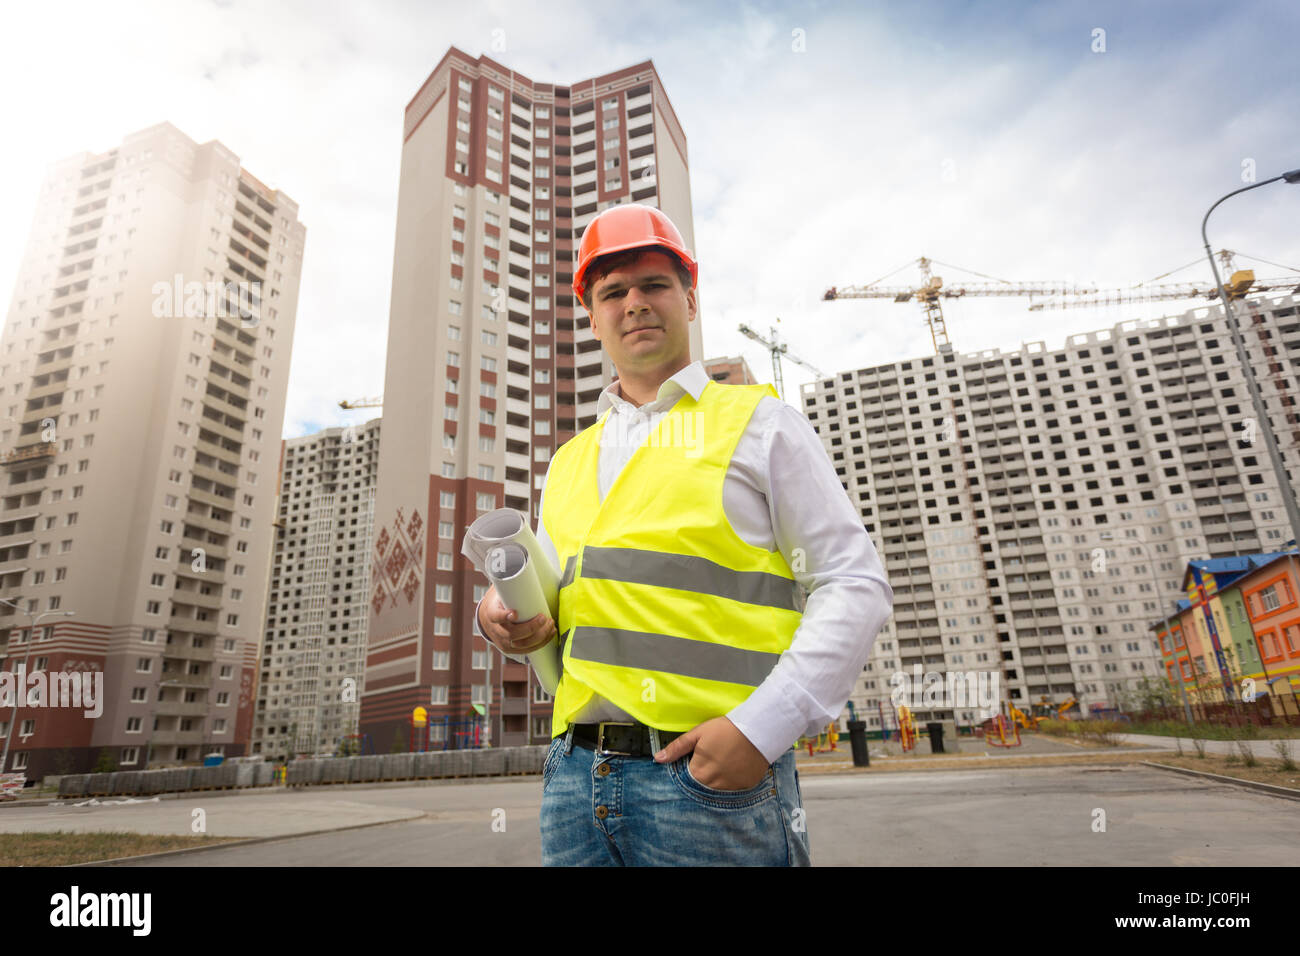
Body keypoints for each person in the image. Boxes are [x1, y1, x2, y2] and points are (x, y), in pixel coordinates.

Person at [474, 203, 892, 866]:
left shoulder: (761, 424)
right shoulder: (570, 461)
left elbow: (852, 583)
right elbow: (557, 604)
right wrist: (498, 616)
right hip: (574, 785)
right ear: (592, 316)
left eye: (654, 285)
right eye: (613, 292)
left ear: (690, 300)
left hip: (709, 783)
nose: (634, 302)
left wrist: (760, 731)